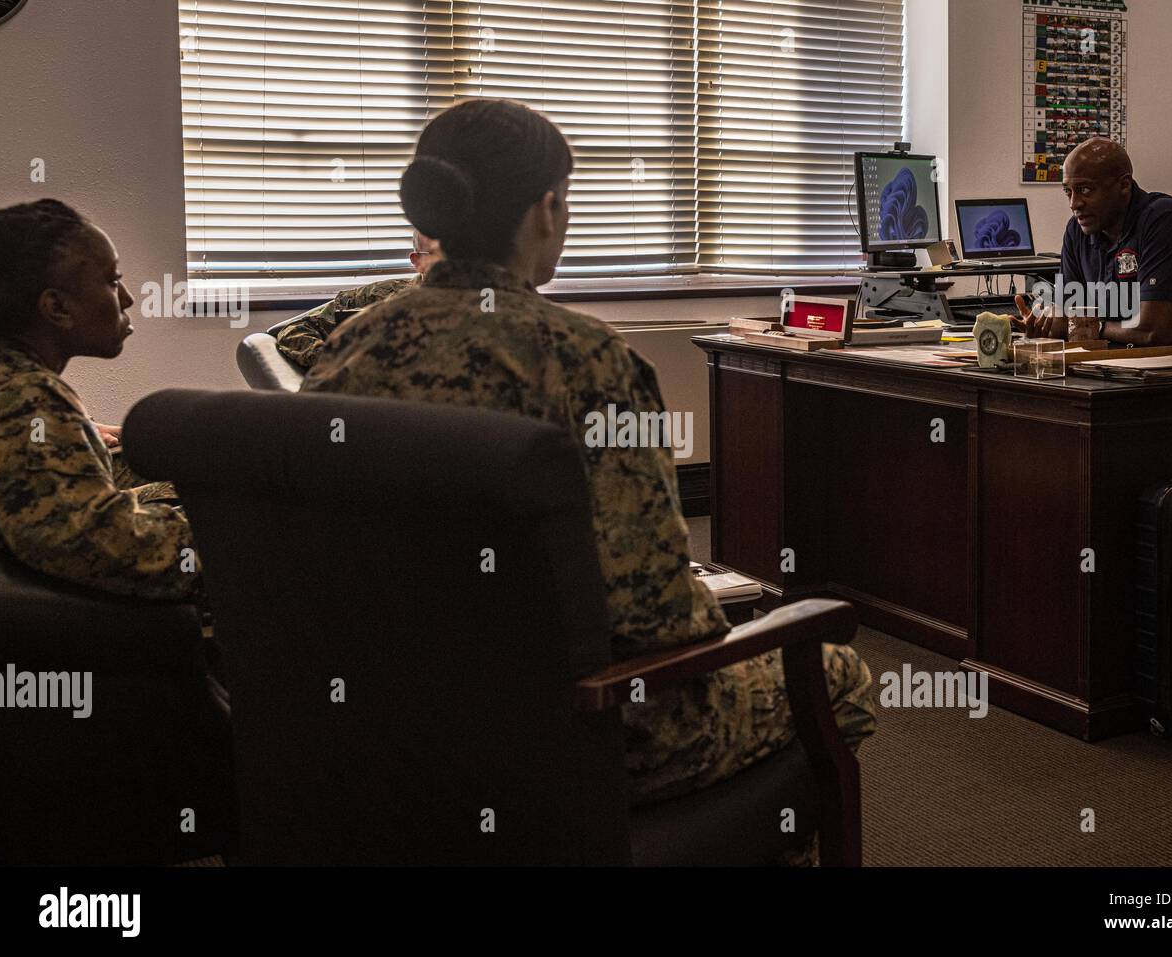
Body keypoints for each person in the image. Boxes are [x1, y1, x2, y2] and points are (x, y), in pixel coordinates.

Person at [303, 99, 876, 813]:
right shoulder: (588, 359)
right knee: (838, 672)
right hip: (564, 735)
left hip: (381, 723)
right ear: (546, 210)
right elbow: (658, 618)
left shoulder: (343, 351)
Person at [0, 199, 200, 601]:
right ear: (56, 308)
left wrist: (76, 431)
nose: (127, 299)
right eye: (112, 280)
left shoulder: (7, 374)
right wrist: (240, 532)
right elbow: (106, 549)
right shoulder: (27, 395)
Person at [1018, 137, 1172, 349]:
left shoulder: (1165, 220)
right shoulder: (1077, 230)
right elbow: (1066, 315)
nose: (1074, 204)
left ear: (1124, 185)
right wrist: (1043, 323)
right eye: (1068, 192)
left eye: (1085, 189)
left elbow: (1155, 332)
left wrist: (1089, 325)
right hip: (1118, 363)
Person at [274, 230, 442, 370]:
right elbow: (295, 330)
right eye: (438, 255)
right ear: (417, 261)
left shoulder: (467, 303)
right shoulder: (379, 295)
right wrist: (341, 363)